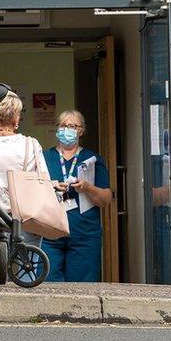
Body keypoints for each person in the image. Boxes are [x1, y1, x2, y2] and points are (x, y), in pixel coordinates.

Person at [0, 92, 48, 282]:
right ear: (16, 118)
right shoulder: (30, 145)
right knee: (29, 272)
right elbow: (44, 181)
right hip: (26, 215)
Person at [41, 110, 112, 282]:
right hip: (50, 233)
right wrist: (51, 186)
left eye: (72, 126)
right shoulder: (44, 158)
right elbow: (33, 191)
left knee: (83, 288)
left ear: (81, 131)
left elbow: (105, 199)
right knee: (48, 286)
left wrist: (87, 188)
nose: (66, 130)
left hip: (84, 235)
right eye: (63, 125)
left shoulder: (92, 159)